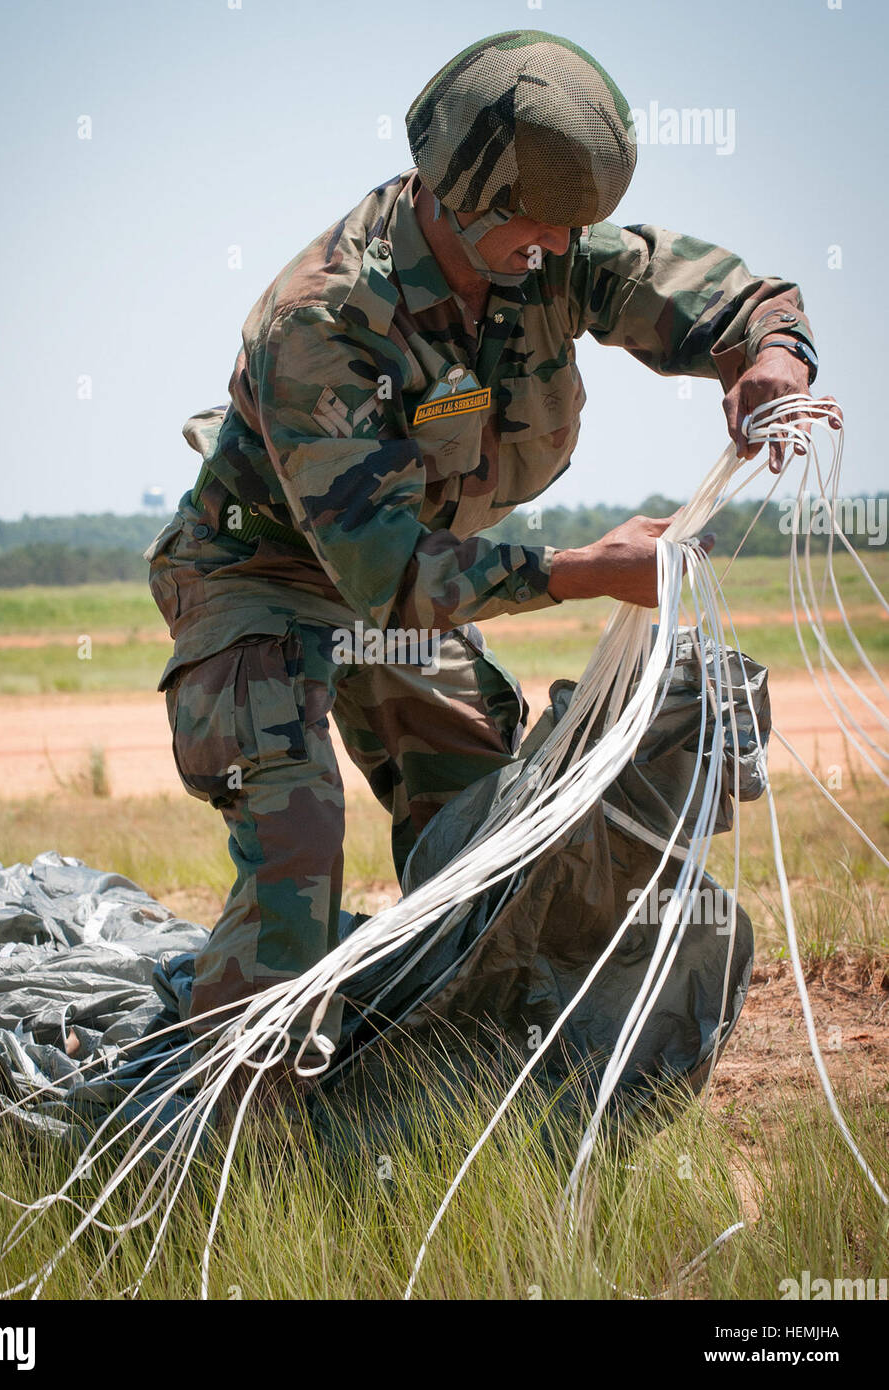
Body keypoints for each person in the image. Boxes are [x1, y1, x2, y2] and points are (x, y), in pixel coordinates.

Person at [147, 29, 839, 1066]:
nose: (560, 250)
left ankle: (446, 1065)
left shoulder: (541, 247)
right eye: (538, 227)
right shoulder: (322, 324)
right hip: (262, 579)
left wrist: (771, 355)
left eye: (572, 229)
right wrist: (576, 572)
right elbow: (387, 578)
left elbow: (719, 294)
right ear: (458, 193)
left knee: (487, 825)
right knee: (296, 840)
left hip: (413, 571)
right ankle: (247, 1141)